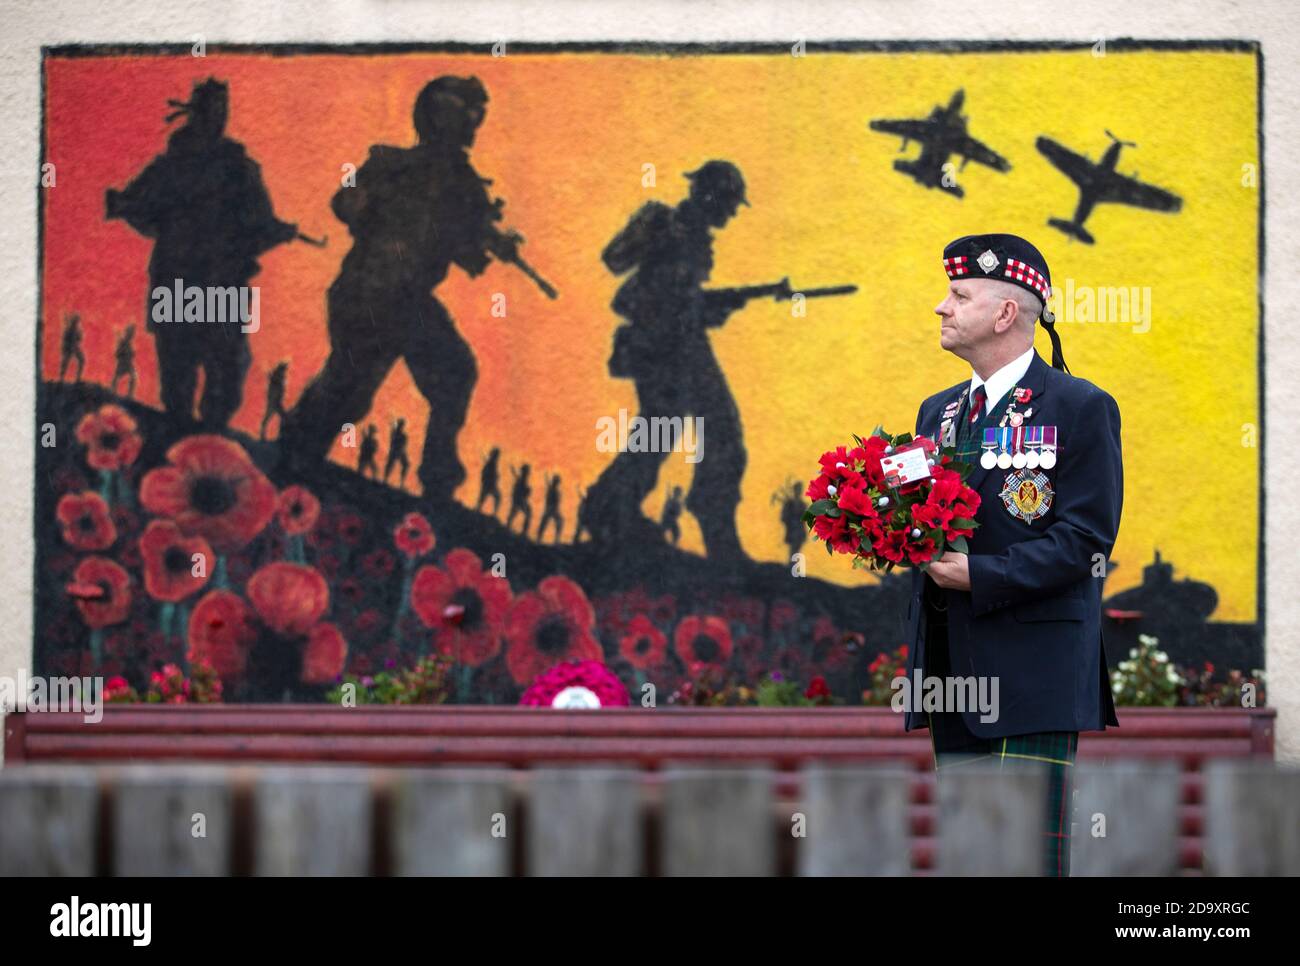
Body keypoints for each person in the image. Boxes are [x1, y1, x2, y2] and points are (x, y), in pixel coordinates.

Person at [903, 233, 1122, 877]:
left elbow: (1085, 542)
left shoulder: (1079, 406)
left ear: (1005, 313)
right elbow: (925, 517)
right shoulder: (937, 412)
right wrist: (880, 526)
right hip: (951, 673)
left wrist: (980, 574)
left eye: (959, 295)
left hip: (1033, 673)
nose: (942, 306)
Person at [283, 75, 514, 501]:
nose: (472, 124)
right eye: (465, 114)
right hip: (369, 290)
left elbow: (469, 253)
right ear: (439, 118)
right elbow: (344, 202)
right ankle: (295, 455)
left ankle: (436, 484)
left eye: (475, 115)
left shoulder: (464, 186)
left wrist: (495, 242)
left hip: (403, 300)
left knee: (450, 373)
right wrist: (363, 201)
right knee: (351, 390)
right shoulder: (390, 163)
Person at [578, 161, 752, 562]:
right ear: (709, 195)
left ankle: (612, 507)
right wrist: (659, 235)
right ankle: (614, 510)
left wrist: (712, 306)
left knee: (688, 429)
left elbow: (677, 296)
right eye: (728, 203)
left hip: (681, 340)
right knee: (682, 428)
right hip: (660, 344)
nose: (730, 213)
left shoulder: (696, 237)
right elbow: (622, 266)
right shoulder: (666, 223)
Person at [106, 77, 298, 429]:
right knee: (184, 373)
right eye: (212, 109)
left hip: (214, 281)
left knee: (222, 372)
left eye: (223, 109)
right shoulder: (174, 165)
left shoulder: (237, 168)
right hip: (186, 280)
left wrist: (277, 231)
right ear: (196, 113)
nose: (219, 117)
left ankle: (206, 436)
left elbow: (258, 223)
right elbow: (133, 204)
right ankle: (185, 437)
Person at [112, 325, 137, 398]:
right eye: (130, 333)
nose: (131, 335)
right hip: (123, 363)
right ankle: (113, 392)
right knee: (116, 378)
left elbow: (131, 353)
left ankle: (130, 395)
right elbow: (117, 354)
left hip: (128, 363)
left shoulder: (127, 342)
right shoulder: (123, 342)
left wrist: (131, 353)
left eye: (132, 334)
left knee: (133, 377)